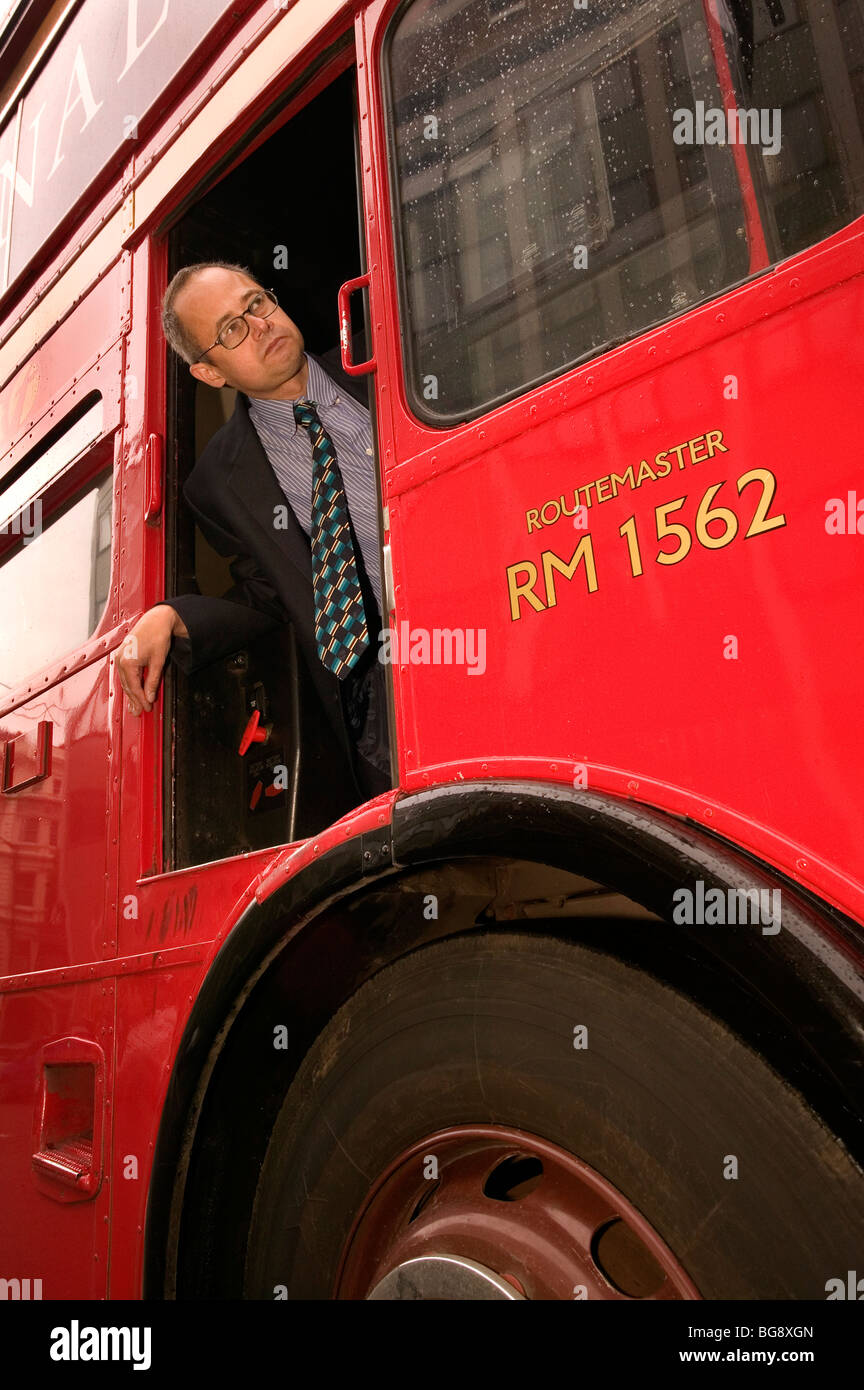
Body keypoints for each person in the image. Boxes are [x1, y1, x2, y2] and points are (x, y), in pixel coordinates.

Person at [117, 261, 390, 799]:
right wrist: (171, 614)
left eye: (256, 303)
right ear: (210, 373)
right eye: (231, 329)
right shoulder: (217, 482)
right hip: (388, 709)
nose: (260, 325)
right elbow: (273, 596)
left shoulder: (385, 353)